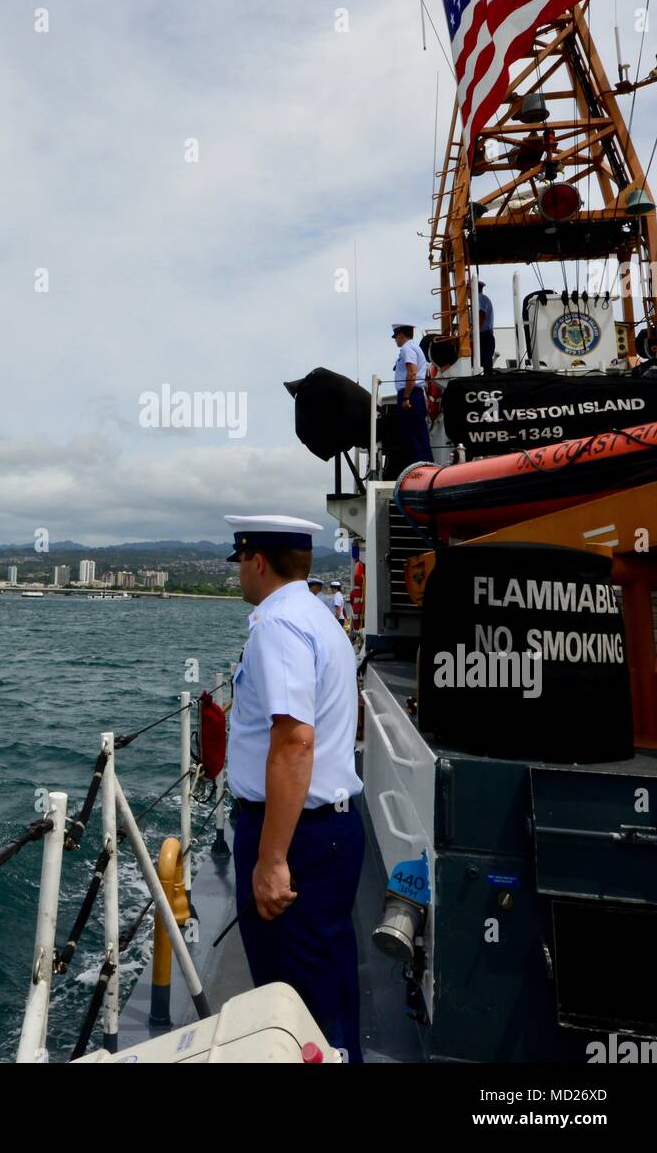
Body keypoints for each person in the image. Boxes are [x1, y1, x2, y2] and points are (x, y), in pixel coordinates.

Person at [223, 514, 365, 1061]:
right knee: (328, 989)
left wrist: (272, 858)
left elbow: (293, 742)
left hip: (296, 836)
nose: (239, 575)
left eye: (241, 563)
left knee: (291, 1002)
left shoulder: (277, 623)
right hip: (329, 828)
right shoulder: (319, 615)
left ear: (257, 562)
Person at [392, 324, 433, 466]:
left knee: (412, 435)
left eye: (396, 337)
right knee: (419, 434)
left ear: (400, 335)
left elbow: (412, 372)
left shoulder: (407, 349)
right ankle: (425, 464)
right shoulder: (416, 348)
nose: (395, 340)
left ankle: (419, 467)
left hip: (410, 394)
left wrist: (406, 397)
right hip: (416, 394)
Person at [477, 280, 495, 373]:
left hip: (483, 336)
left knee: (484, 362)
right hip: (487, 335)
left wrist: (474, 331)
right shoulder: (485, 298)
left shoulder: (478, 298)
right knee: (486, 362)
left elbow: (482, 314)